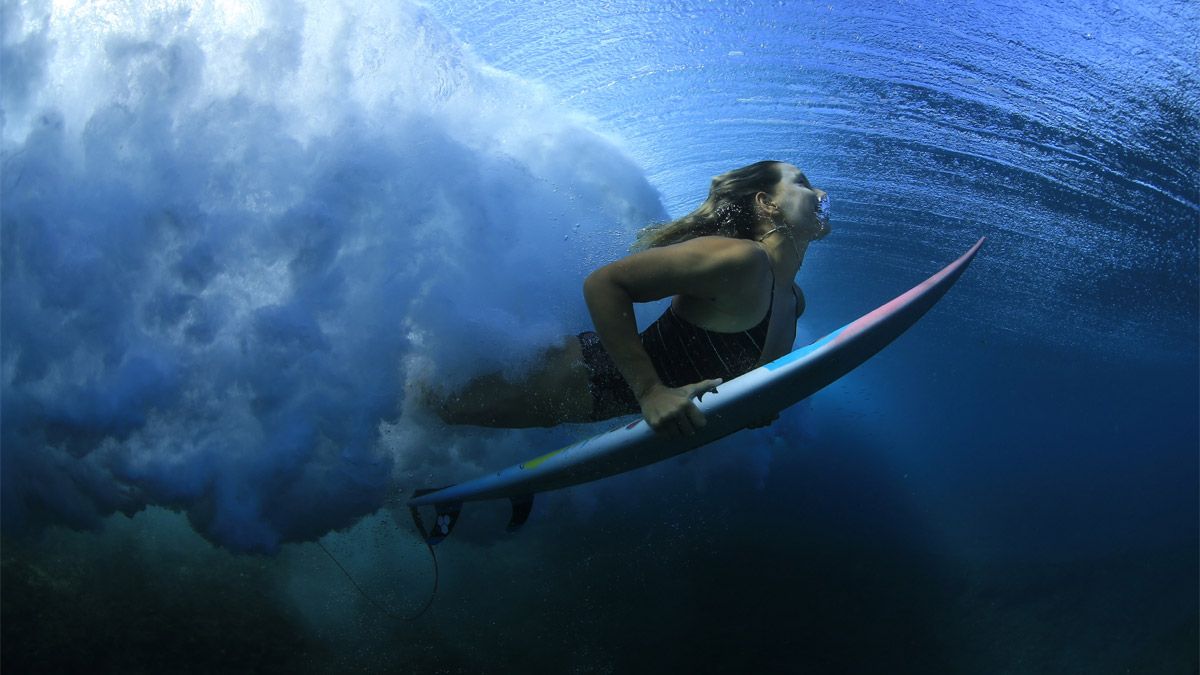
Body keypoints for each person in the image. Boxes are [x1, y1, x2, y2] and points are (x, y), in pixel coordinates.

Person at [429, 160, 830, 437]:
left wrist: (754, 409)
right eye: (802, 182)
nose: (820, 192)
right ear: (767, 203)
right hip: (572, 374)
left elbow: (745, 381)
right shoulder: (741, 259)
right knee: (431, 408)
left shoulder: (793, 301)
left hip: (588, 405)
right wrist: (650, 392)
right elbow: (604, 284)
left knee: (443, 417)